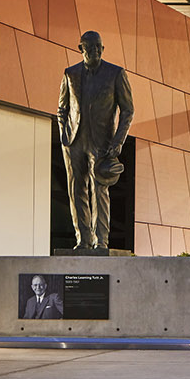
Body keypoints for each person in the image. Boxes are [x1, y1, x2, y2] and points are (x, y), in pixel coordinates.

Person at [57, 31, 134, 252]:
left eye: (99, 47)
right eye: (90, 48)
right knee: (76, 190)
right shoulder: (70, 74)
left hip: (102, 142)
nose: (95, 52)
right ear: (81, 49)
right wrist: (64, 132)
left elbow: (128, 110)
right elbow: (62, 107)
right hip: (74, 140)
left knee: (99, 190)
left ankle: (101, 242)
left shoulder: (115, 74)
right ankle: (83, 239)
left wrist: (118, 141)